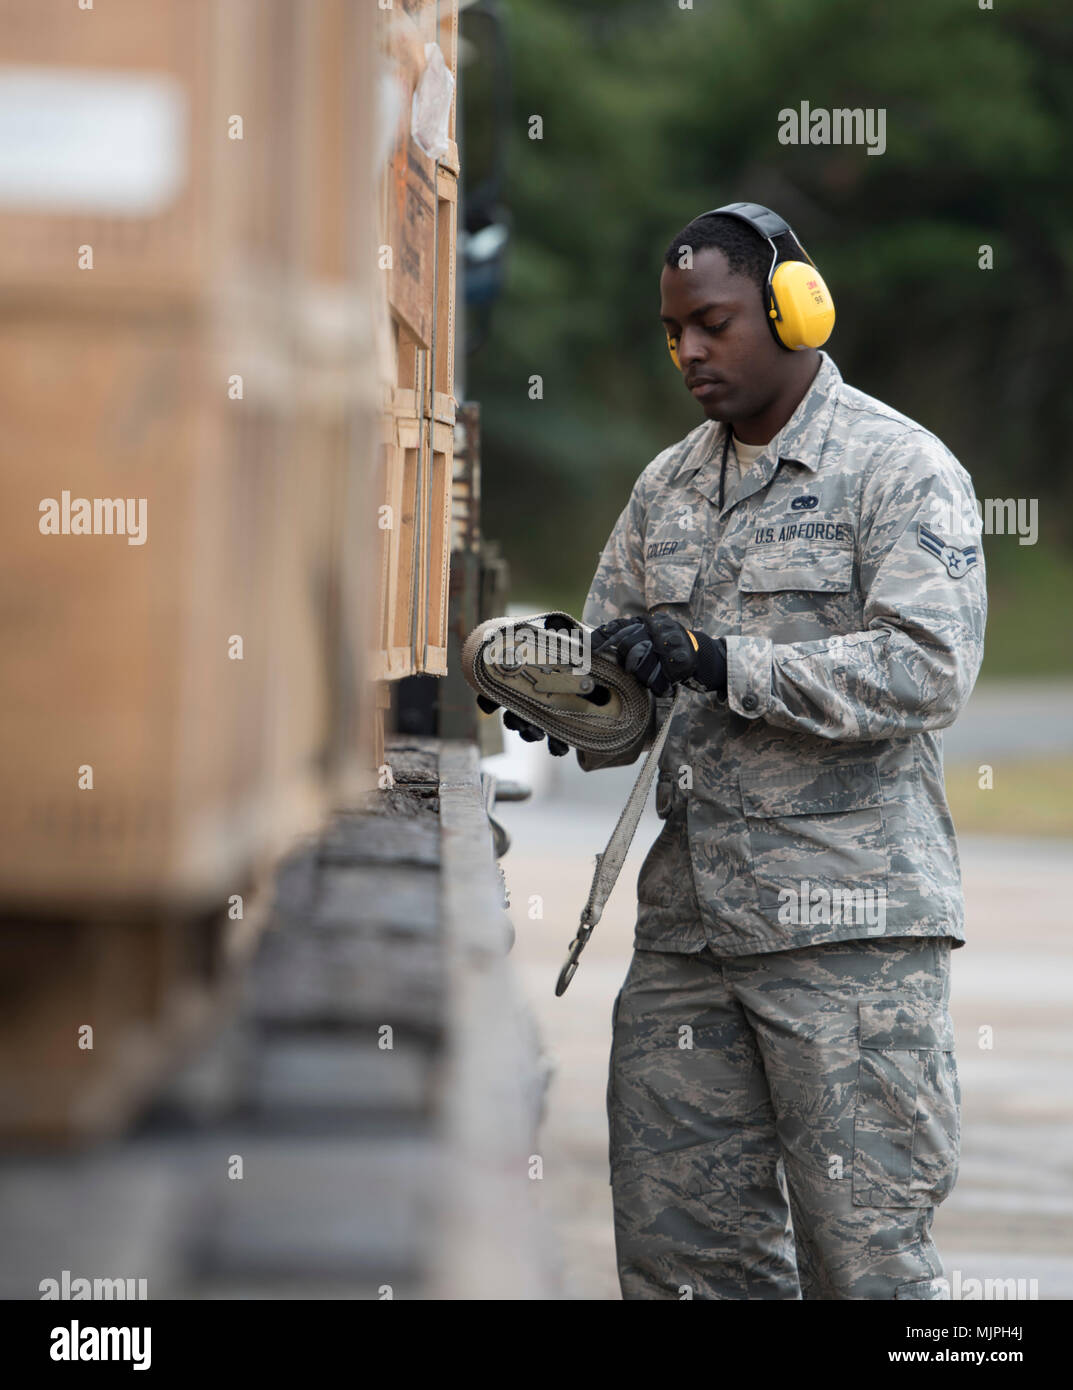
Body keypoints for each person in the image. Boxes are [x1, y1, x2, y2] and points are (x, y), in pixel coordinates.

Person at [502, 203, 987, 1299]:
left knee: (865, 1264)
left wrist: (725, 660)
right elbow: (619, 678)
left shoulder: (898, 470)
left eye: (712, 323)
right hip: (688, 941)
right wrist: (557, 700)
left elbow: (926, 669)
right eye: (672, 331)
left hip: (850, 944)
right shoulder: (665, 488)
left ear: (790, 310)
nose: (688, 352)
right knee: (682, 1262)